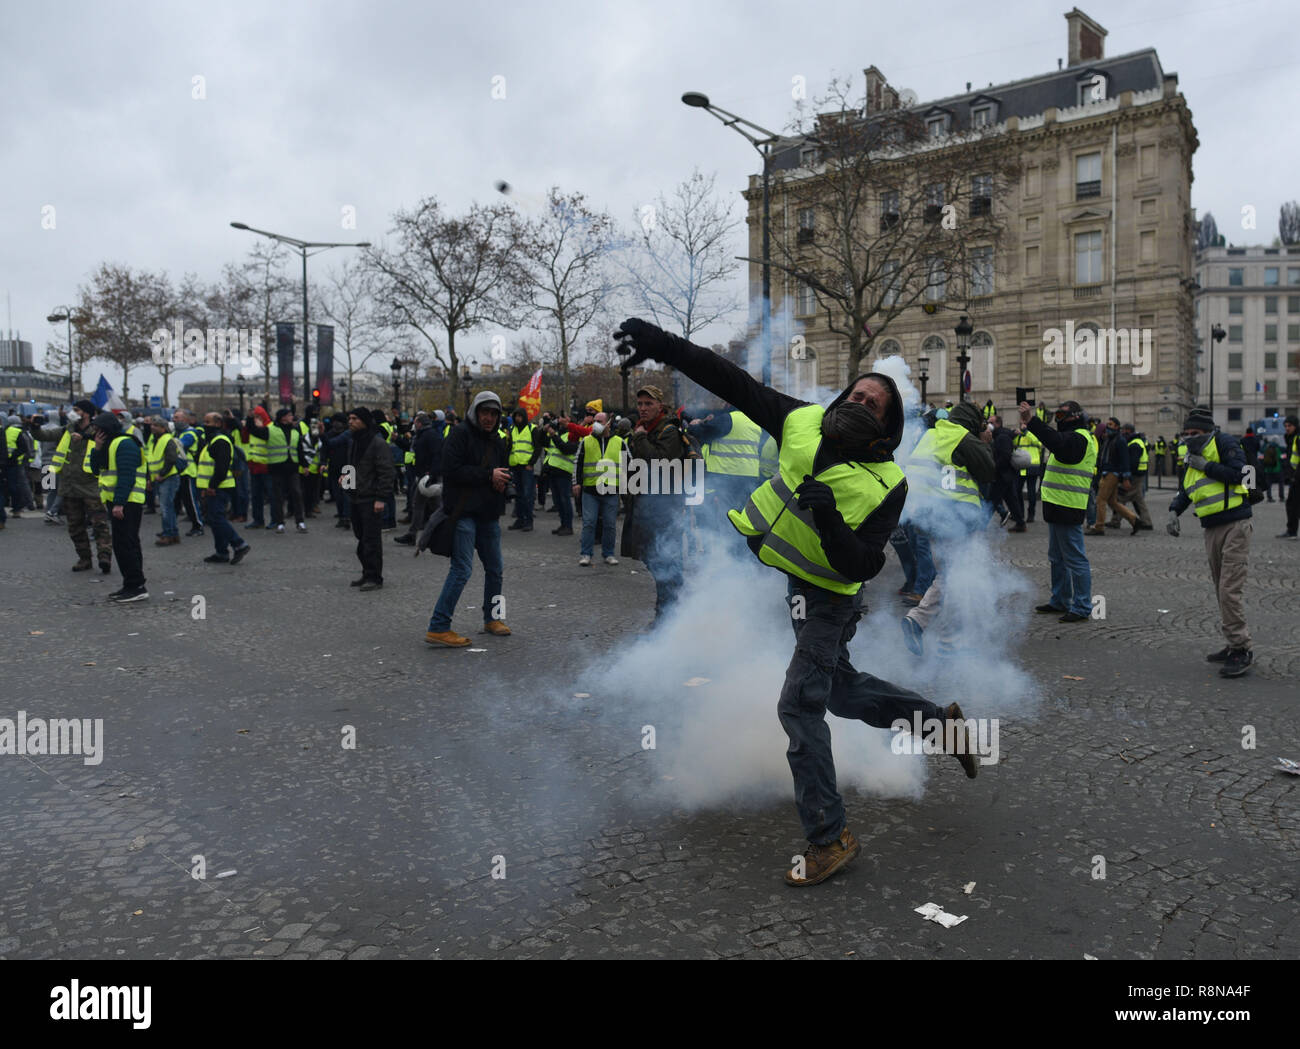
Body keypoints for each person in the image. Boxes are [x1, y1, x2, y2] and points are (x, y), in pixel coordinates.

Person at [614, 318, 978, 888]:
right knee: (839, 690)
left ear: (888, 423)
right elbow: (729, 380)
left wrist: (830, 517)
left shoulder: (888, 481)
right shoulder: (799, 421)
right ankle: (940, 726)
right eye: (856, 394)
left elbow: (865, 565)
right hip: (799, 589)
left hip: (834, 600)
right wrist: (662, 345)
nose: (860, 403)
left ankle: (829, 837)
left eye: (874, 403)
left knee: (799, 705)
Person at [901, 401, 998, 653]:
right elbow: (988, 471)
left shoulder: (931, 434)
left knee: (948, 576)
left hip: (927, 517)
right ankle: (941, 637)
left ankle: (931, 628)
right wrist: (984, 442)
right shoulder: (962, 437)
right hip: (954, 519)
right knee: (957, 578)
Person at [1167, 408, 1254, 677]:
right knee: (1220, 588)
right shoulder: (1188, 454)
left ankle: (1241, 649)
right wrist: (1174, 510)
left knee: (1229, 589)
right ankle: (1232, 643)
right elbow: (1187, 485)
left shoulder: (1225, 443)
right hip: (1211, 527)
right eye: (1187, 433)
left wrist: (1207, 466)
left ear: (1208, 431)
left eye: (1196, 433)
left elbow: (1242, 474)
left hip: (1235, 524)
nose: (1190, 437)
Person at [426, 391, 511, 646]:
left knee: (496, 569)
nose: (489, 418)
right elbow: (450, 470)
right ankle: (438, 626)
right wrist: (488, 476)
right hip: (463, 513)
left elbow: (505, 471)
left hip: (488, 513)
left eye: (494, 414)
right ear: (475, 411)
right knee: (462, 569)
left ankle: (492, 618)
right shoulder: (459, 434)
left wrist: (505, 484)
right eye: (485, 412)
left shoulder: (498, 441)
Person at [1020, 399, 1097, 622]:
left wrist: (1032, 421)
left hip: (1068, 504)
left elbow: (1056, 442)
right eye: (1057, 416)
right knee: (1057, 557)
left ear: (1076, 416)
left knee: (1074, 558)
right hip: (1058, 504)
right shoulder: (1071, 437)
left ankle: (1082, 605)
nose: (1059, 420)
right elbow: (1056, 441)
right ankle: (1060, 599)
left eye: (1063, 416)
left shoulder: (1079, 437)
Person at [622, 385, 689, 619]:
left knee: (665, 561)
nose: (642, 408)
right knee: (654, 559)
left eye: (648, 404)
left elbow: (659, 464)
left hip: (664, 508)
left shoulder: (667, 430)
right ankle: (671, 611)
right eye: (640, 404)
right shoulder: (646, 428)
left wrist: (639, 438)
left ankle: (668, 617)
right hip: (647, 505)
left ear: (660, 405)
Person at [88, 411, 148, 602]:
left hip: (127, 501)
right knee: (125, 543)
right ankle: (131, 584)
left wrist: (119, 503)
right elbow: (96, 469)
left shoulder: (125, 443)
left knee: (126, 544)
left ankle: (136, 585)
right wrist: (96, 448)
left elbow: (127, 475)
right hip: (117, 500)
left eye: (99, 431)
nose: (96, 435)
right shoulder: (109, 445)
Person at [48, 400, 113, 571]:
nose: (72, 412)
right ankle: (84, 558)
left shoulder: (98, 430)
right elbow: (46, 435)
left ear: (86, 413)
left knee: (99, 524)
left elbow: (106, 449)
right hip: (70, 486)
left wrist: (90, 440)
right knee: (75, 526)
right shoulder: (69, 428)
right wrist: (33, 426)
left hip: (91, 485)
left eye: (76, 409)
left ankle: (104, 556)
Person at [339, 408, 393, 591]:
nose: (350, 422)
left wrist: (381, 498)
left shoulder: (377, 443)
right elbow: (351, 465)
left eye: (354, 419)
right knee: (361, 538)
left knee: (371, 540)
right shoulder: (353, 441)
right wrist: (346, 479)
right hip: (356, 497)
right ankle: (366, 572)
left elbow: (386, 472)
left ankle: (374, 576)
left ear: (364, 421)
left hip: (370, 498)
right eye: (349, 418)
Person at [195, 412, 251, 565]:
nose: (205, 425)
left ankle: (239, 544)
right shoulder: (212, 440)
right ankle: (221, 552)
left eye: (208, 422)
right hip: (214, 486)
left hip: (220, 486)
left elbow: (221, 466)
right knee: (214, 519)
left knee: (217, 518)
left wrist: (212, 485)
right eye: (204, 421)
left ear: (218, 424)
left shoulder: (220, 441)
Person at [246, 407, 308, 533]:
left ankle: (300, 521)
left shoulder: (295, 431)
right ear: (283, 417)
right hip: (276, 468)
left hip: (292, 468)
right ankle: (280, 522)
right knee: (278, 496)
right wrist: (250, 418)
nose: (292, 417)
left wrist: (304, 465)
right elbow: (253, 431)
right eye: (290, 415)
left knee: (296, 494)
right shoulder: (270, 430)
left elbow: (299, 450)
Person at [573, 412, 620, 564]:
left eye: (599, 421)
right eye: (594, 421)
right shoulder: (586, 441)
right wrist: (576, 482)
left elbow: (629, 464)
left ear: (608, 423)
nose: (595, 424)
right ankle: (586, 554)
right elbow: (578, 463)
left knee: (610, 524)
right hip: (590, 490)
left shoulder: (619, 442)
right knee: (589, 522)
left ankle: (608, 554)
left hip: (611, 490)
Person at [1088, 416, 1140, 536]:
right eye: (1107, 424)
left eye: (1110, 424)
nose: (1108, 427)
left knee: (1100, 499)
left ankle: (1099, 527)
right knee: (1112, 502)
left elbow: (1125, 460)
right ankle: (1134, 520)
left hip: (1112, 474)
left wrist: (1126, 478)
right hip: (1107, 473)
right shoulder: (1110, 439)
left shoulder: (1120, 440)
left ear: (1117, 427)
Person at [145, 415, 182, 546]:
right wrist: (150, 479)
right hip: (161, 477)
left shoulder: (167, 440)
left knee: (166, 508)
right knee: (167, 507)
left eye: (156, 425)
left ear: (163, 428)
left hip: (168, 477)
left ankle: (168, 534)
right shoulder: (154, 440)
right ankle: (172, 533)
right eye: (152, 424)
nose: (152, 427)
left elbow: (172, 459)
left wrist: (161, 474)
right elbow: (150, 460)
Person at [506, 407, 543, 532]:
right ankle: (520, 519)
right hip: (515, 465)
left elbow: (538, 448)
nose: (517, 419)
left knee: (528, 495)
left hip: (526, 466)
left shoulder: (532, 429)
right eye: (516, 416)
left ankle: (528, 521)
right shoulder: (512, 429)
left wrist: (531, 463)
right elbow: (510, 446)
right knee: (519, 495)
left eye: (519, 416)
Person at [171, 410, 206, 537]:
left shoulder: (190, 433)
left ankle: (198, 526)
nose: (174, 420)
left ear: (185, 420)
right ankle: (171, 528)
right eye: (174, 417)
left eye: (177, 417)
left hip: (188, 471)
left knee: (190, 501)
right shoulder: (176, 433)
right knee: (175, 502)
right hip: (178, 471)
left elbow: (180, 446)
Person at [989, 414, 1025, 531]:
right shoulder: (1000, 435)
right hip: (1005, 474)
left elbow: (1005, 456)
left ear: (998, 424)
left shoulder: (1002, 437)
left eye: (991, 423)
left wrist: (995, 467)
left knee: (992, 500)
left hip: (1002, 475)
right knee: (1011, 500)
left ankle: (981, 524)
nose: (989, 425)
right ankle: (1020, 523)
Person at [540, 415, 576, 536]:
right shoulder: (558, 433)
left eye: (563, 417)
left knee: (564, 499)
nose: (560, 420)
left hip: (564, 471)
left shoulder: (574, 434)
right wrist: (543, 431)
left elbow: (565, 449)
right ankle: (563, 524)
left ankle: (568, 526)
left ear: (570, 420)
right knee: (557, 500)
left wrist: (553, 435)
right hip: (553, 470)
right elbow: (542, 442)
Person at [1117, 423, 1153, 530]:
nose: (1122, 432)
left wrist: (1126, 477)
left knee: (1121, 497)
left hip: (1135, 475)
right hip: (1139, 474)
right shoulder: (1137, 441)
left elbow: (1132, 463)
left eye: (1123, 430)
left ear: (1128, 431)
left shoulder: (1134, 444)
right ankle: (1146, 522)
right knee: (1138, 499)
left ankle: (1116, 520)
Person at [1278, 415, 1299, 539]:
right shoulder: (1291, 438)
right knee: (1292, 504)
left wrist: (1294, 476)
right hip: (1294, 476)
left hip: (1297, 477)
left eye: (1289, 426)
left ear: (1295, 426)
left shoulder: (1297, 438)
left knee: (1292, 504)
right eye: (1285, 426)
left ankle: (1292, 531)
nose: (1287, 428)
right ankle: (1291, 530)